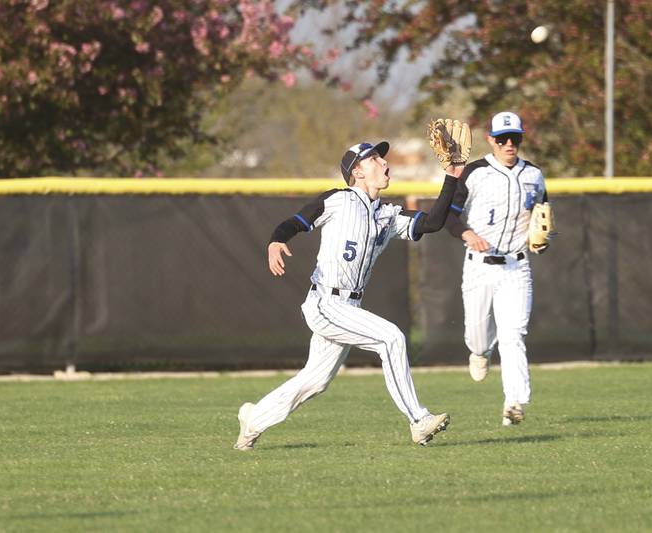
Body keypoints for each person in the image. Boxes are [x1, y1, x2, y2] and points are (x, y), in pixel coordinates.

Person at [234, 141, 465, 450]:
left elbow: (434, 222)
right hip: (325, 302)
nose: (384, 163)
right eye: (375, 159)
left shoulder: (387, 214)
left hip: (348, 304)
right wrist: (277, 240)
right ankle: (418, 420)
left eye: (382, 158)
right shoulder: (339, 200)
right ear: (357, 171)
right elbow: (297, 221)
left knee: (315, 381)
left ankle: (254, 420)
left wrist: (451, 176)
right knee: (391, 338)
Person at [444, 111, 550, 426]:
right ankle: (479, 352)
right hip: (479, 266)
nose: (508, 144)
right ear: (490, 139)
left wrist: (542, 240)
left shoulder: (534, 175)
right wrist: (466, 233)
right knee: (477, 336)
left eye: (514, 138)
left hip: (517, 266)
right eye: (502, 138)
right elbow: (448, 216)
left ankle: (514, 403)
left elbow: (543, 218)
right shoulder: (474, 172)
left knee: (513, 334)